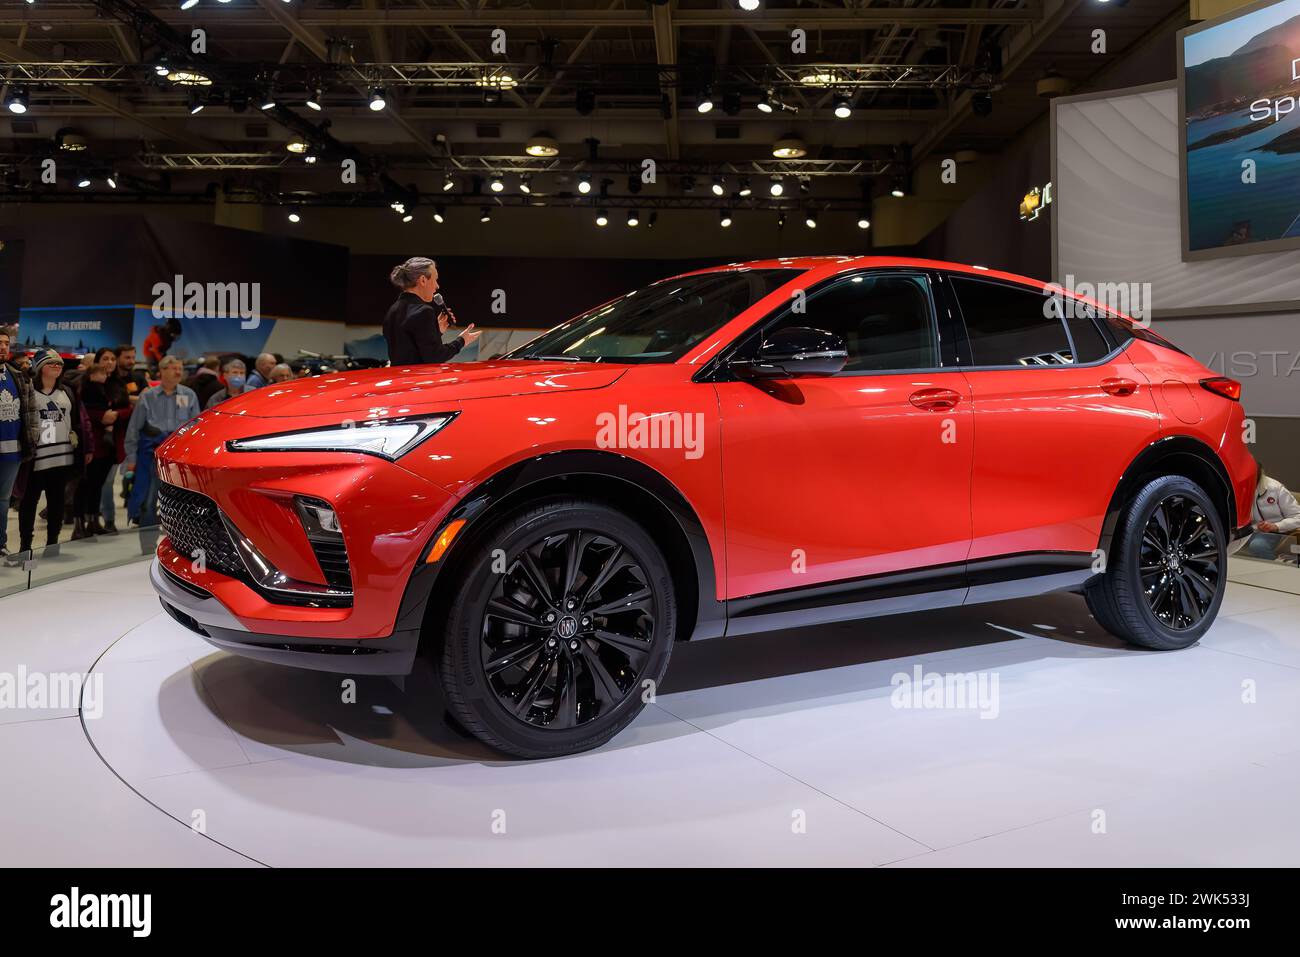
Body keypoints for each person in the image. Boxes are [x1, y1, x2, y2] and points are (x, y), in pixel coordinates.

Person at [14, 349, 88, 560]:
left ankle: (52, 545)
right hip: (35, 458)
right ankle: (25, 547)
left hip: (62, 456)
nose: (57, 366)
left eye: (59, 364)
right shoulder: (28, 391)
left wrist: (83, 448)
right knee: (28, 503)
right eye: (51, 363)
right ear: (39, 368)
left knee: (57, 503)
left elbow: (78, 422)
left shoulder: (68, 391)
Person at [123, 355, 198, 527]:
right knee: (147, 499)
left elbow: (195, 428)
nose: (179, 372)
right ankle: (146, 545)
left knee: (179, 501)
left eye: (180, 368)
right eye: (174, 368)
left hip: (179, 458)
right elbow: (133, 429)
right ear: (162, 371)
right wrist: (131, 459)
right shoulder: (148, 396)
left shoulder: (189, 395)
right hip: (150, 455)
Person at [383, 257, 481, 365]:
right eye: (435, 280)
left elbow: (410, 349)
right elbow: (435, 356)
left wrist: (436, 331)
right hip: (418, 379)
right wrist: (462, 341)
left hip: (399, 377)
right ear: (423, 280)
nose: (437, 286)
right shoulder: (424, 311)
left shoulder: (393, 310)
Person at [77, 347, 131, 537]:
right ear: (98, 361)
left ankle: (94, 520)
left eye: (112, 359)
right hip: (92, 441)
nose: (109, 362)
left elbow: (128, 409)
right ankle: (80, 522)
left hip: (112, 443)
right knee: (85, 483)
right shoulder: (87, 382)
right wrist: (101, 416)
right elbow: (80, 409)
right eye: (105, 358)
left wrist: (116, 415)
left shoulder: (118, 384)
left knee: (99, 483)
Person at [0, 329, 36, 563]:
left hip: (12, 451)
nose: (3, 347)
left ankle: (0, 544)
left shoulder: (18, 376)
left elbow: (30, 413)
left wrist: (31, 441)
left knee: (3, 501)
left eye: (5, 343)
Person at [1250, 464, 1300, 562]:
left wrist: (1276, 526)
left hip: (1273, 532)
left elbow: (1298, 516)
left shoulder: (1275, 488)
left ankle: (1281, 570)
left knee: (1258, 545)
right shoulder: (1235, 487)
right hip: (1246, 531)